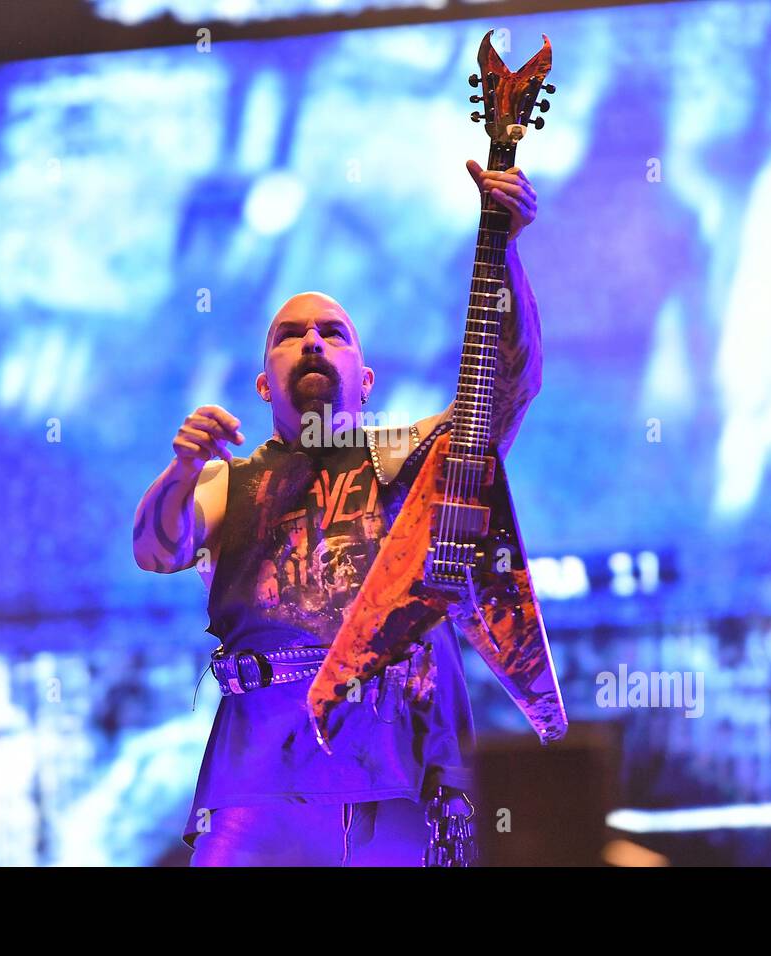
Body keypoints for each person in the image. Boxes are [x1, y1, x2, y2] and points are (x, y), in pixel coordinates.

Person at [132, 160, 544, 865]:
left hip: (398, 783)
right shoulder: (227, 484)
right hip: (257, 792)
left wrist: (504, 248)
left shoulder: (418, 463)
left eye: (334, 332)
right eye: (291, 334)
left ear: (366, 377)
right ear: (265, 380)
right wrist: (179, 472)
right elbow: (155, 548)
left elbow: (508, 386)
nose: (314, 341)